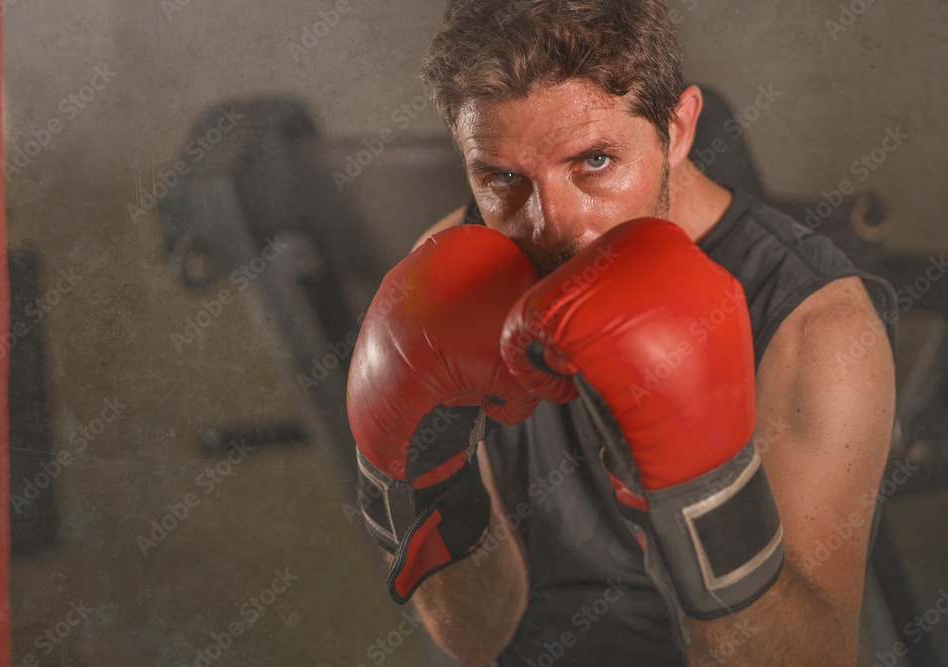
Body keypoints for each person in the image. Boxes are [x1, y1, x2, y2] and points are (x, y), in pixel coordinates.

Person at [345, 1, 898, 665]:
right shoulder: (449, 285)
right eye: (504, 178)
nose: (552, 224)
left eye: (595, 160)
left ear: (678, 128)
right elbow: (476, 635)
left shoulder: (818, 324)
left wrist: (702, 498)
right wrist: (435, 475)